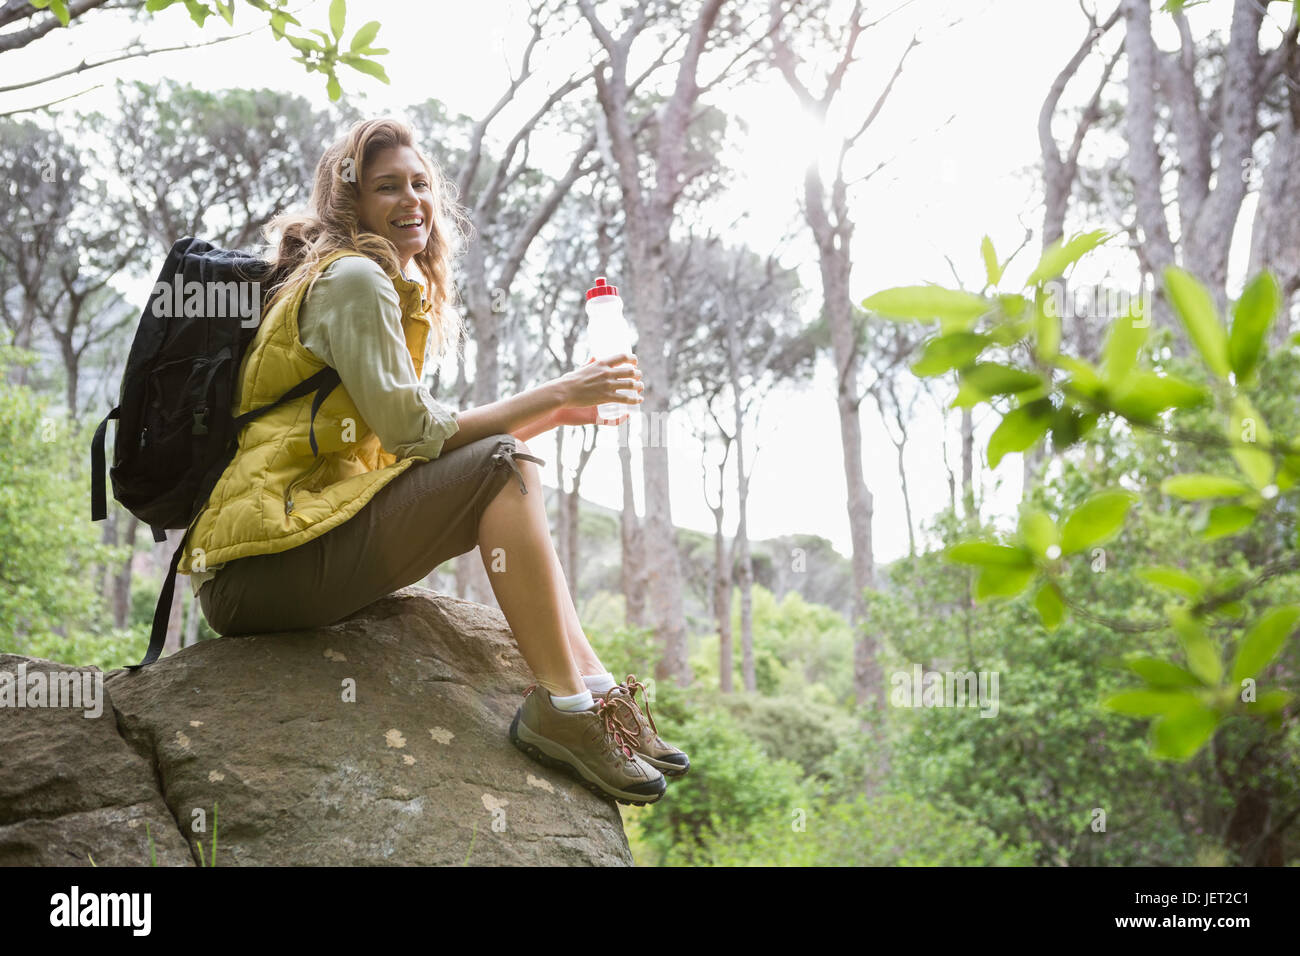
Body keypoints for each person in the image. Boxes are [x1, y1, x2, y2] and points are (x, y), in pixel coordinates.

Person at [177, 117, 688, 806]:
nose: (412, 200)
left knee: (508, 459)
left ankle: (595, 695)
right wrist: (557, 391)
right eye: (387, 186)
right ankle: (563, 712)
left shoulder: (368, 283)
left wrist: (561, 410)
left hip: (295, 547)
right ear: (349, 204)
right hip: (258, 572)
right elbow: (418, 433)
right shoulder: (354, 280)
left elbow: (408, 441)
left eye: (420, 184)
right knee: (504, 464)